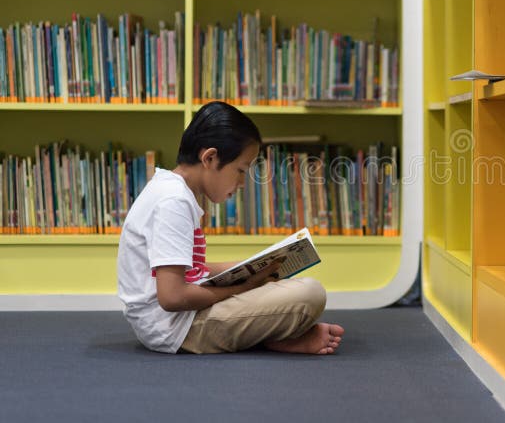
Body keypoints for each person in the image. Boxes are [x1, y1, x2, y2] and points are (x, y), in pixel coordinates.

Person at [117, 101, 344, 354]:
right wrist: (243, 288)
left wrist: (254, 266)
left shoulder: (170, 189)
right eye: (240, 170)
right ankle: (276, 338)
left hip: (172, 321)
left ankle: (274, 333)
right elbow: (172, 297)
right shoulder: (174, 202)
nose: (242, 183)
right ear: (210, 158)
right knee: (310, 294)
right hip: (175, 329)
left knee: (282, 286)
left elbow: (187, 270)